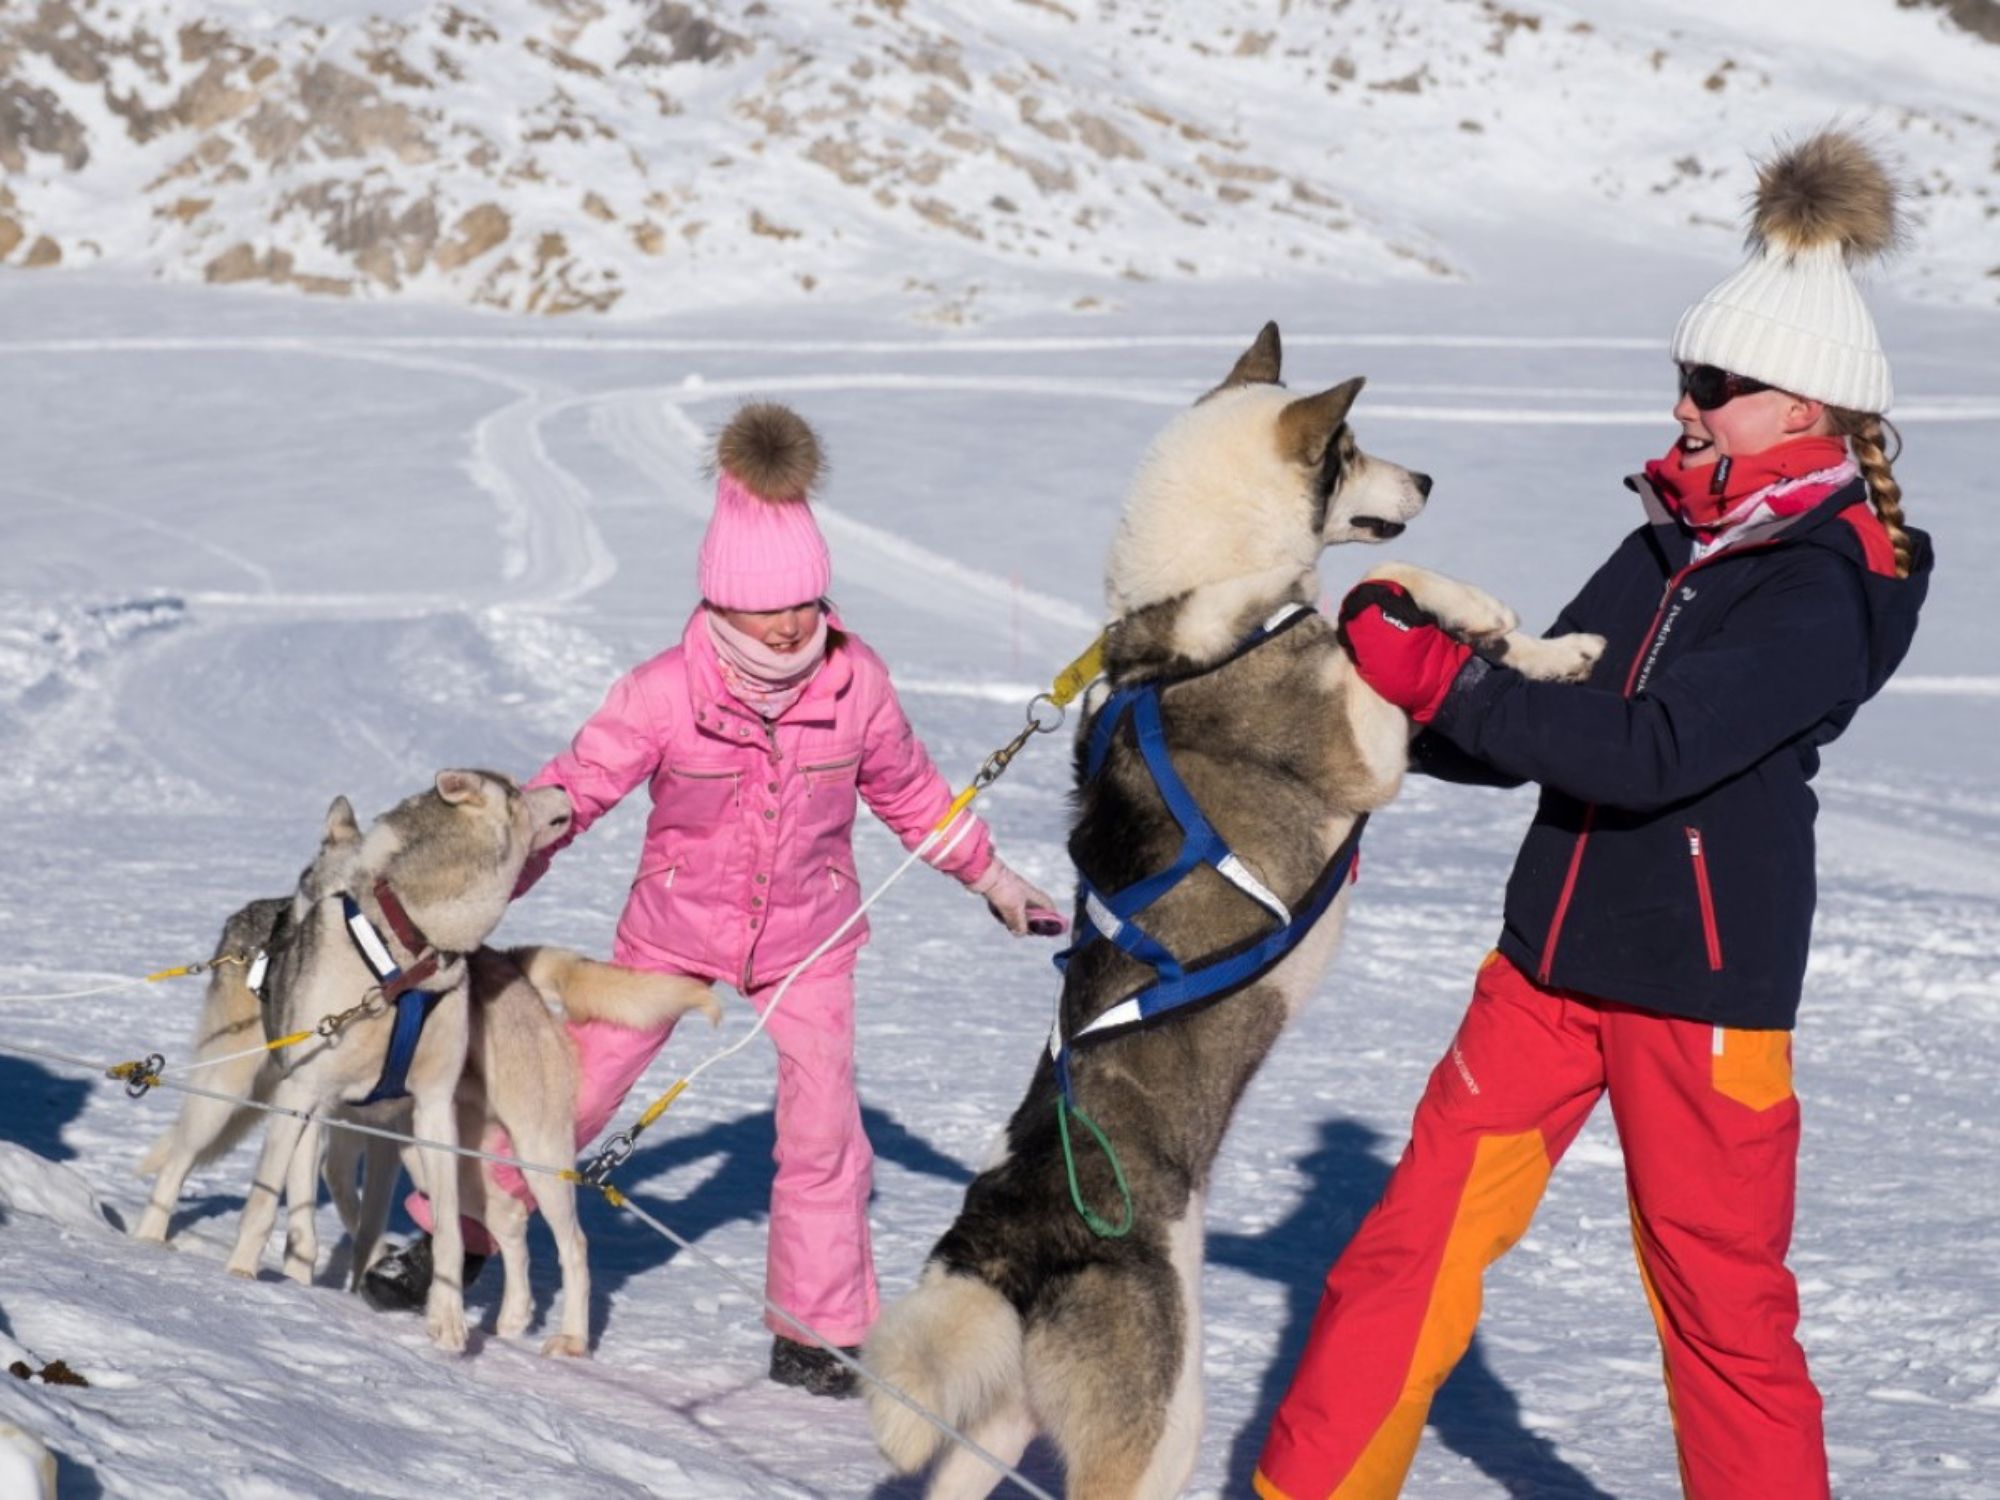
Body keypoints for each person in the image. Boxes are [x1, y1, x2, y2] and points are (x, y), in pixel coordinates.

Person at [1255, 129, 1931, 1499]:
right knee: (1407, 1254)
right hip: (1544, 977)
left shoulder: (1825, 584)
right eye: (1684, 377)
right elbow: (1541, 706)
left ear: (1803, 406)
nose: (1685, 407)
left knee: (1721, 1319)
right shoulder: (1668, 541)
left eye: (1716, 387)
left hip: (1704, 999)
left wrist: (1440, 672)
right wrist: (1371, 700)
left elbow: (1648, 748)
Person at [365, 402, 1065, 1397]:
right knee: (573, 1089)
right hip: (672, 928)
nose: (789, 623)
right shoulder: (663, 691)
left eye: (804, 601)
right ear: (720, 601)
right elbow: (579, 788)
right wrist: (490, 868)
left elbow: (910, 792)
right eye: (766, 605)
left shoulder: (853, 682)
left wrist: (992, 878)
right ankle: (457, 1232)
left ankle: (814, 1330)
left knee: (823, 1130)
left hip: (811, 937)